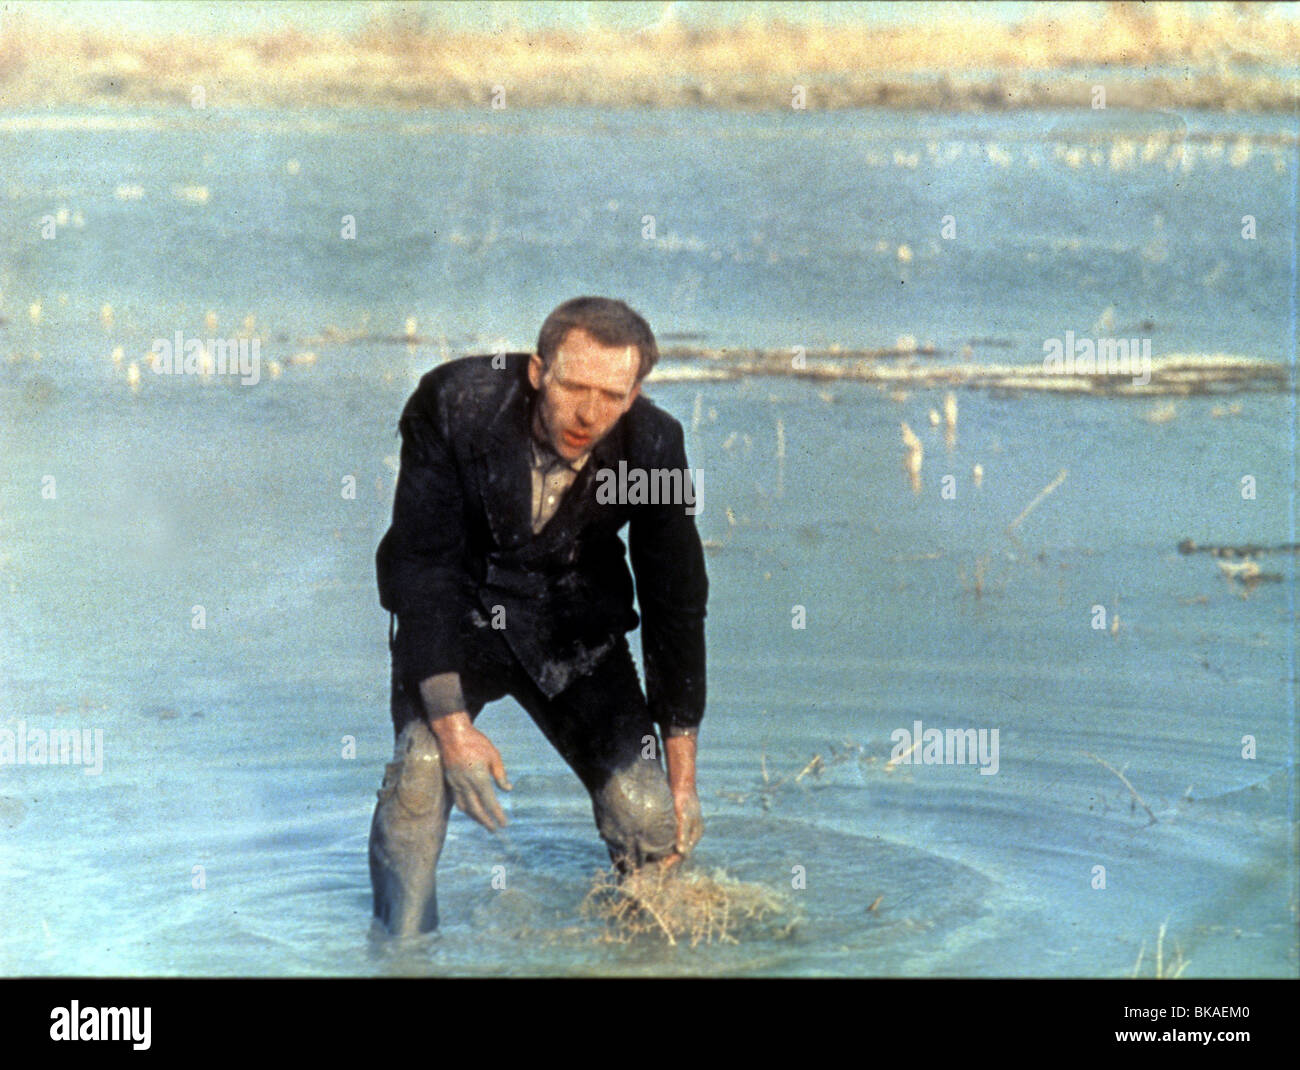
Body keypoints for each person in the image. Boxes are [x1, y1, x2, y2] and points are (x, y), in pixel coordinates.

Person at [369, 296, 709, 936]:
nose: (587, 413)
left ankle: (643, 952)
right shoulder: (455, 405)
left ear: (635, 392)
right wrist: (451, 730)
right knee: (416, 784)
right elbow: (423, 567)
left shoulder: (655, 449)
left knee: (649, 821)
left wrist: (683, 777)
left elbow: (677, 602)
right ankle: (400, 952)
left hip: (573, 632)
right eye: (573, 386)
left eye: (610, 394)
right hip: (457, 620)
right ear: (537, 372)